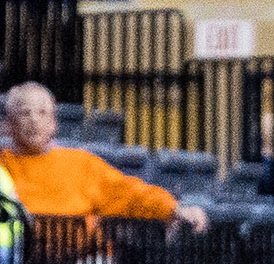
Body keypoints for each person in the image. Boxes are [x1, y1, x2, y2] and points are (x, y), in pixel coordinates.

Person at [0, 82, 207, 231]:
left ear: (54, 123)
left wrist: (173, 209)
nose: (34, 121)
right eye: (25, 113)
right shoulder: (2, 166)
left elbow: (128, 193)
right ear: (8, 124)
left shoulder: (82, 164)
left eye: (43, 113)